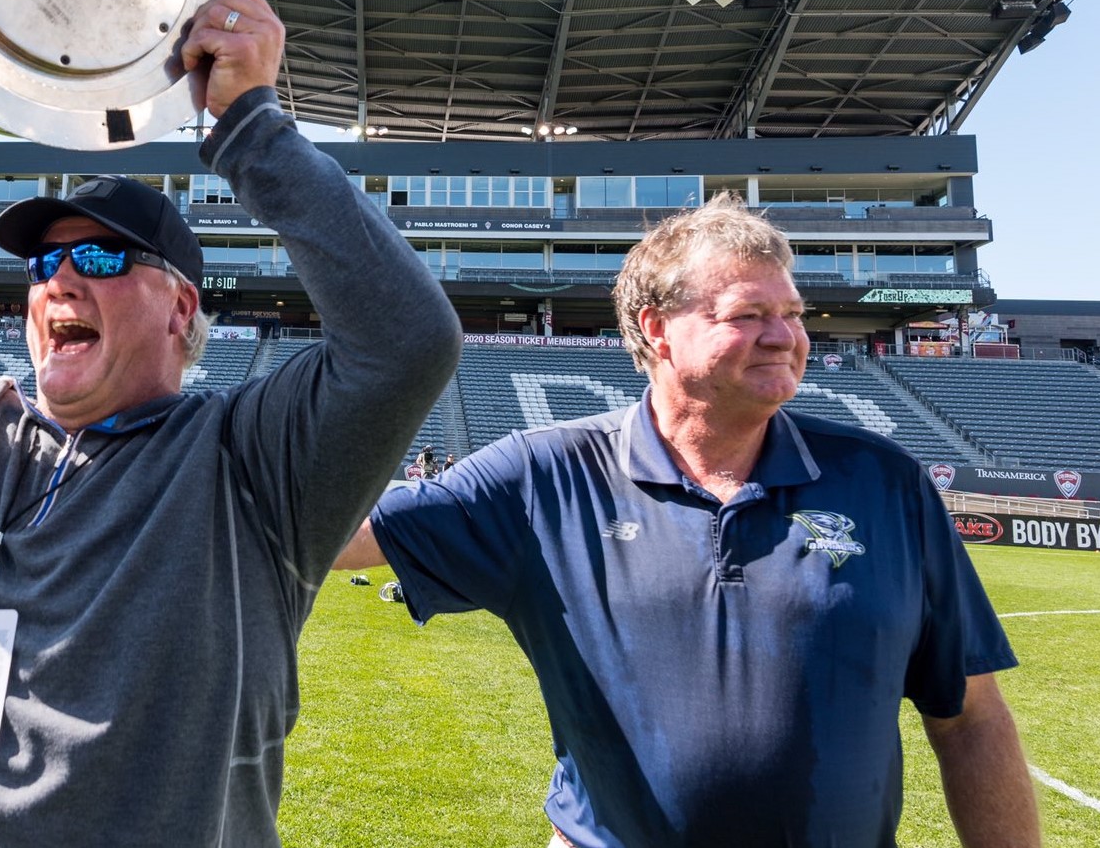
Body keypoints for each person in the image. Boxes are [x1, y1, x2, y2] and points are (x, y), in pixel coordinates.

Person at [0, 0, 460, 846]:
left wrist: (251, 125)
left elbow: (407, 338)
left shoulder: (251, 464)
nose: (59, 276)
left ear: (180, 308)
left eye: (98, 256)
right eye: (42, 264)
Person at [338, 193, 1039, 848]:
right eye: (747, 314)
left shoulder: (886, 481)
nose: (784, 336)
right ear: (657, 329)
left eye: (793, 313)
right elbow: (335, 539)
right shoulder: (543, 475)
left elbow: (972, 718)